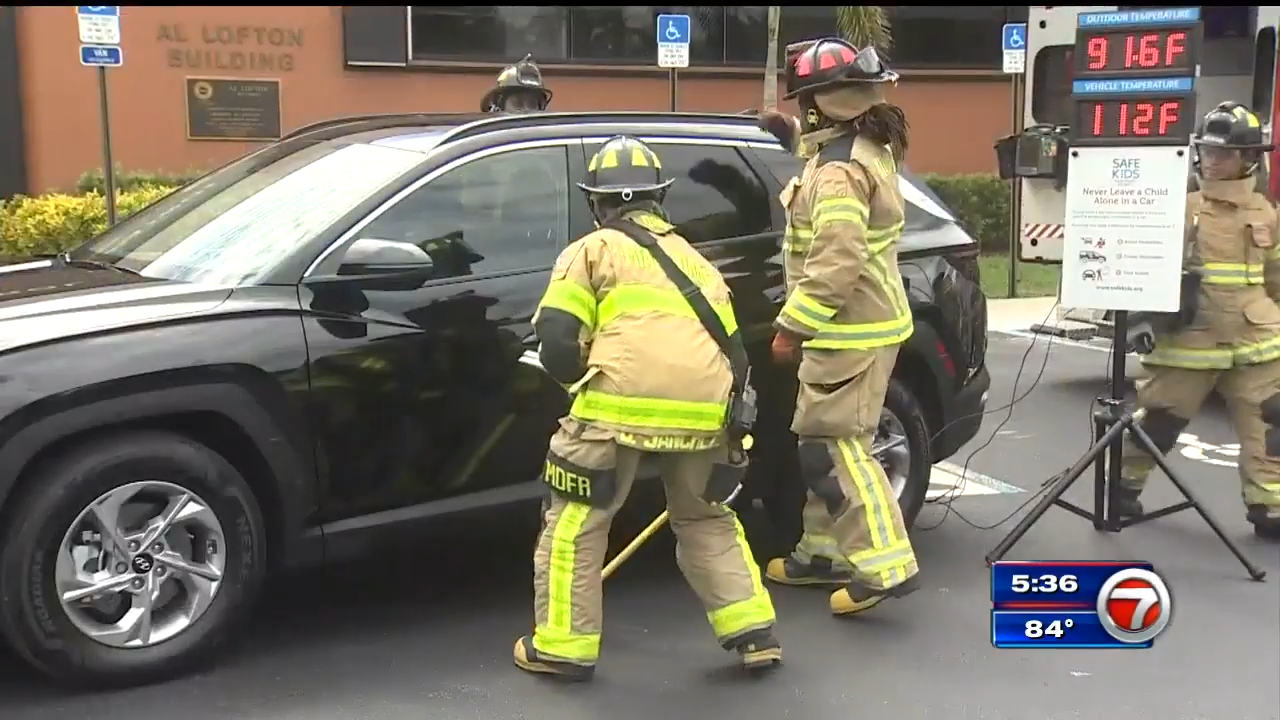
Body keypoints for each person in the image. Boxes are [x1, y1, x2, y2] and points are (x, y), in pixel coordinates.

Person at [514, 135, 781, 681]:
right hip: (707, 413)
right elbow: (735, 352)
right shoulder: (697, 263)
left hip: (618, 407)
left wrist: (575, 382)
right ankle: (755, 633)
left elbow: (559, 339)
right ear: (659, 198)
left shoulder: (591, 251)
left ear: (596, 202)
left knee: (575, 524)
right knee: (706, 517)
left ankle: (563, 647)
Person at [762, 37, 920, 616]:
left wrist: (792, 328)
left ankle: (885, 564)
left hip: (846, 332)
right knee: (818, 443)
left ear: (818, 102)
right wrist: (790, 140)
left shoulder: (836, 172)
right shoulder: (868, 146)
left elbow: (835, 262)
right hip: (865, 326)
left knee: (838, 450)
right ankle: (821, 553)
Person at [1117, 101, 1280, 540]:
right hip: (1190, 341)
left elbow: (1276, 277)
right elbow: (1141, 269)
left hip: (1256, 342)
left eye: (1222, 153)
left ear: (1249, 158)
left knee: (1272, 424)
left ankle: (1271, 506)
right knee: (1159, 420)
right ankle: (1120, 491)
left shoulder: (1266, 212)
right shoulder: (1178, 207)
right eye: (1207, 150)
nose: (1211, 159)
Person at [480, 54, 552, 113]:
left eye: (532, 104)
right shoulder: (492, 130)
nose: (526, 110)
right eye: (518, 104)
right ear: (499, 106)